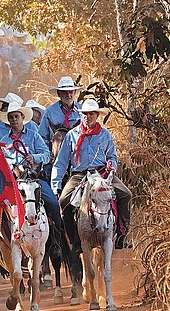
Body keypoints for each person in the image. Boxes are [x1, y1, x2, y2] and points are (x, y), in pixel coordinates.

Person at [51, 99, 132, 250]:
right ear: (81, 115)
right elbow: (61, 162)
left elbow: (112, 156)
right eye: (85, 114)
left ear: (97, 115)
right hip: (79, 174)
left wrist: (111, 165)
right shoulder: (72, 135)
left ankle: (122, 234)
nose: (88, 117)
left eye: (91, 114)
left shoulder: (105, 135)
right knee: (63, 201)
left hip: (102, 172)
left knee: (126, 194)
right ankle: (75, 241)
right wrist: (56, 186)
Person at [0, 102, 63, 233]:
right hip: (12, 180)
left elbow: (47, 155)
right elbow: (1, 162)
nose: (14, 120)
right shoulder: (4, 141)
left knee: (53, 203)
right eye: (11, 117)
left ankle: (58, 234)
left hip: (34, 178)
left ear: (22, 117)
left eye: (16, 116)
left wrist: (34, 158)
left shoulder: (34, 135)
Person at [39, 76, 83, 144]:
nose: (68, 95)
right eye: (64, 92)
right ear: (59, 94)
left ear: (74, 93)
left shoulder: (82, 110)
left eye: (71, 92)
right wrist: (51, 147)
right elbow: (41, 136)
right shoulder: (50, 112)